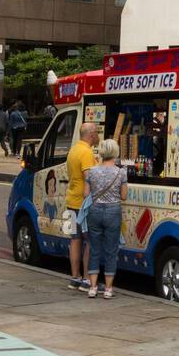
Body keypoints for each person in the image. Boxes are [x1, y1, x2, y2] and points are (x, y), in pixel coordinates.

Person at [82, 139, 127, 299]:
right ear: (114, 152)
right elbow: (124, 196)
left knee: (94, 249)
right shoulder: (121, 172)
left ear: (101, 152)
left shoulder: (92, 172)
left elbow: (86, 194)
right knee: (110, 251)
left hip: (94, 211)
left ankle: (93, 287)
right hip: (113, 211)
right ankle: (108, 289)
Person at [66, 122, 100, 289]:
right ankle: (87, 279)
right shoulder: (86, 153)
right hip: (83, 204)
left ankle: (75, 277)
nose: (98, 135)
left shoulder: (73, 150)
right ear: (91, 134)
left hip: (70, 201)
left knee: (74, 239)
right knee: (90, 241)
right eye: (97, 132)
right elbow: (89, 178)